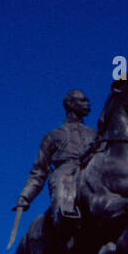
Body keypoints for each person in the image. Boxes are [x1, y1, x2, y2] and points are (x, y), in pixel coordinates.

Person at [14, 90, 96, 233]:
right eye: (82, 100)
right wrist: (25, 196)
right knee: (63, 186)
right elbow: (39, 171)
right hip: (65, 173)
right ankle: (64, 229)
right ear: (70, 104)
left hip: (92, 170)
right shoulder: (53, 136)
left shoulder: (95, 135)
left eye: (87, 100)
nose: (87, 103)